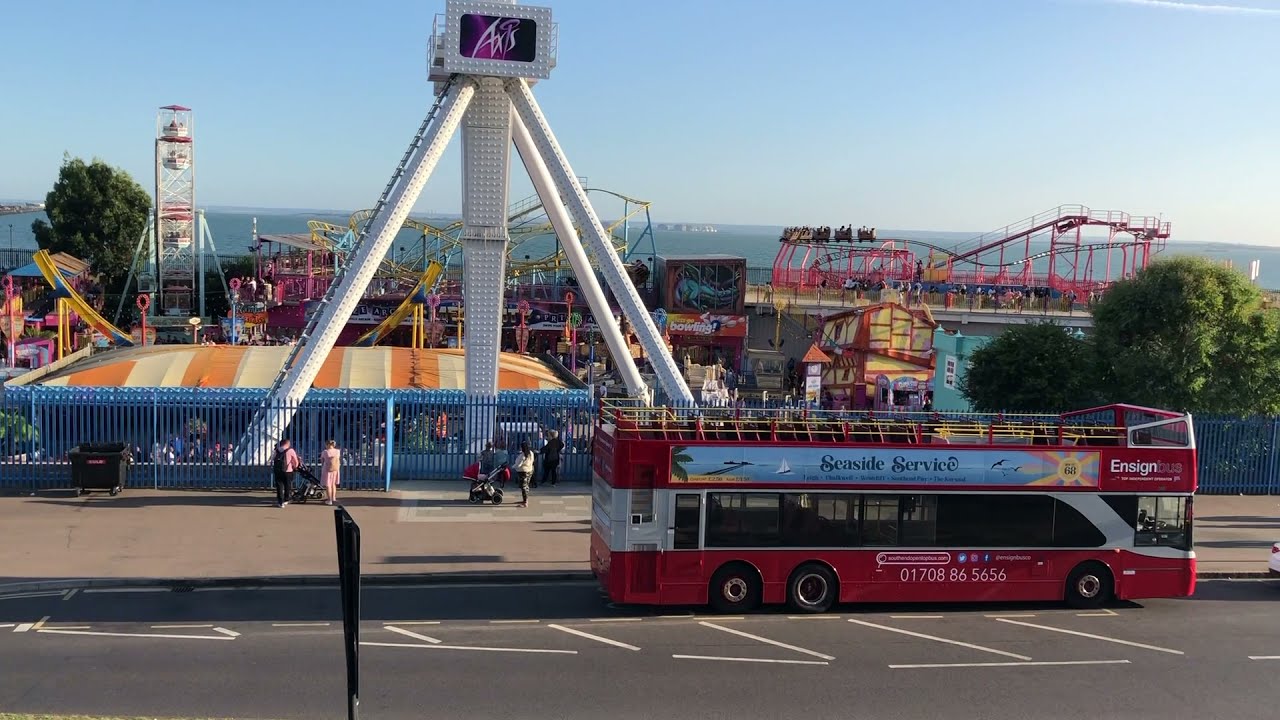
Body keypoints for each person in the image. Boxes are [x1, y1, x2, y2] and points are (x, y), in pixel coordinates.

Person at [272, 439, 300, 508]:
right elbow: (295, 461)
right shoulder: (291, 450)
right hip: (288, 470)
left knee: (279, 486)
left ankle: (280, 502)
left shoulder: (277, 450)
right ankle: (286, 499)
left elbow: (273, 459)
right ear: (287, 443)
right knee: (287, 485)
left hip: (278, 471)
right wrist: (295, 467)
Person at [513, 440, 535, 508]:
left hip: (523, 472)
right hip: (530, 470)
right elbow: (532, 461)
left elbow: (518, 465)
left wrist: (513, 467)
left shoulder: (522, 455)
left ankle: (525, 502)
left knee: (523, 487)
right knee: (526, 486)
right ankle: (525, 500)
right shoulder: (531, 453)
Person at [320, 439, 341, 506]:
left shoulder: (325, 452)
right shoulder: (338, 451)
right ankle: (333, 498)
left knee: (328, 485)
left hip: (327, 470)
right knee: (333, 484)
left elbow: (322, 460)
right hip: (335, 469)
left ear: (328, 445)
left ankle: (329, 500)